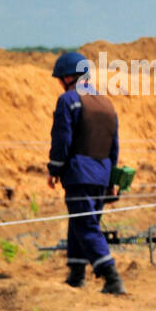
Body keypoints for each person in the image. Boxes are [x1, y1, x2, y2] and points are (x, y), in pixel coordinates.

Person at [46, 51, 126, 295]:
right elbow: (114, 146)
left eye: (60, 78)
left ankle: (111, 277)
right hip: (101, 175)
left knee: (86, 225)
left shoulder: (68, 100)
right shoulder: (105, 103)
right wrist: (111, 179)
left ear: (69, 77)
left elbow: (62, 139)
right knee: (80, 223)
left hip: (79, 174)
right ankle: (77, 274)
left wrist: (54, 168)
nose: (60, 83)